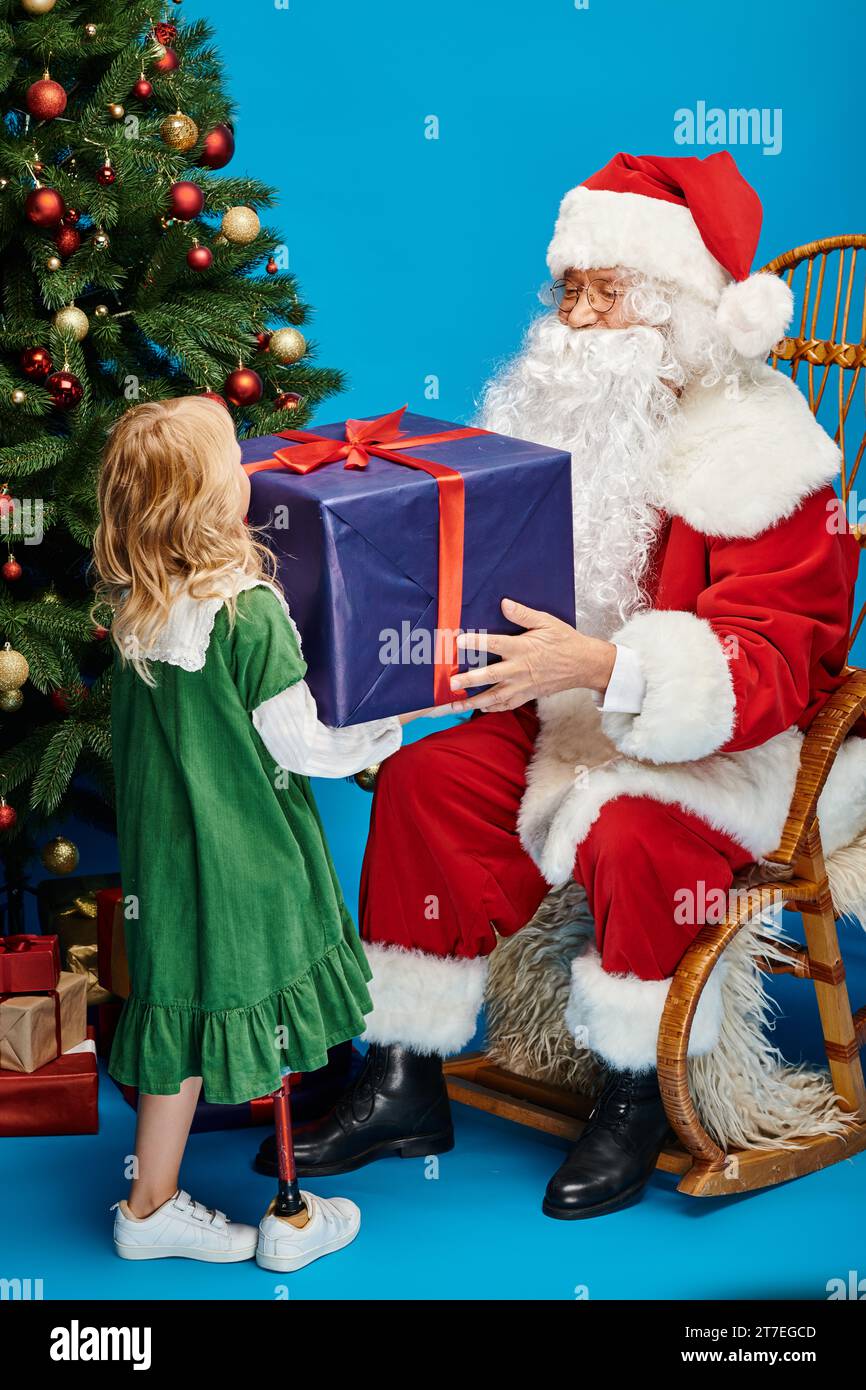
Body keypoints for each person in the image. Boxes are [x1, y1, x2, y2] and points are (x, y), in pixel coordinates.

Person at [257, 151, 866, 1219]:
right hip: (561, 710)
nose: (574, 319)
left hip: (718, 746)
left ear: (676, 309)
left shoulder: (772, 461)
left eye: (605, 291)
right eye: (567, 290)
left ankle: (632, 1093)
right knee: (425, 781)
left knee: (638, 835)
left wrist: (612, 668)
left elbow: (775, 668)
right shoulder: (566, 419)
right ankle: (404, 1077)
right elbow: (497, 587)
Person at [93, 395, 429, 1268]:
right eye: (233, 463)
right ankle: (290, 1216)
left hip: (166, 875)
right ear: (212, 500)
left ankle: (149, 1204)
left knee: (182, 1025)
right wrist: (391, 724)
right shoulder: (248, 612)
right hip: (254, 867)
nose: (250, 472)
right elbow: (306, 747)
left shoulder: (137, 611)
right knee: (267, 1017)